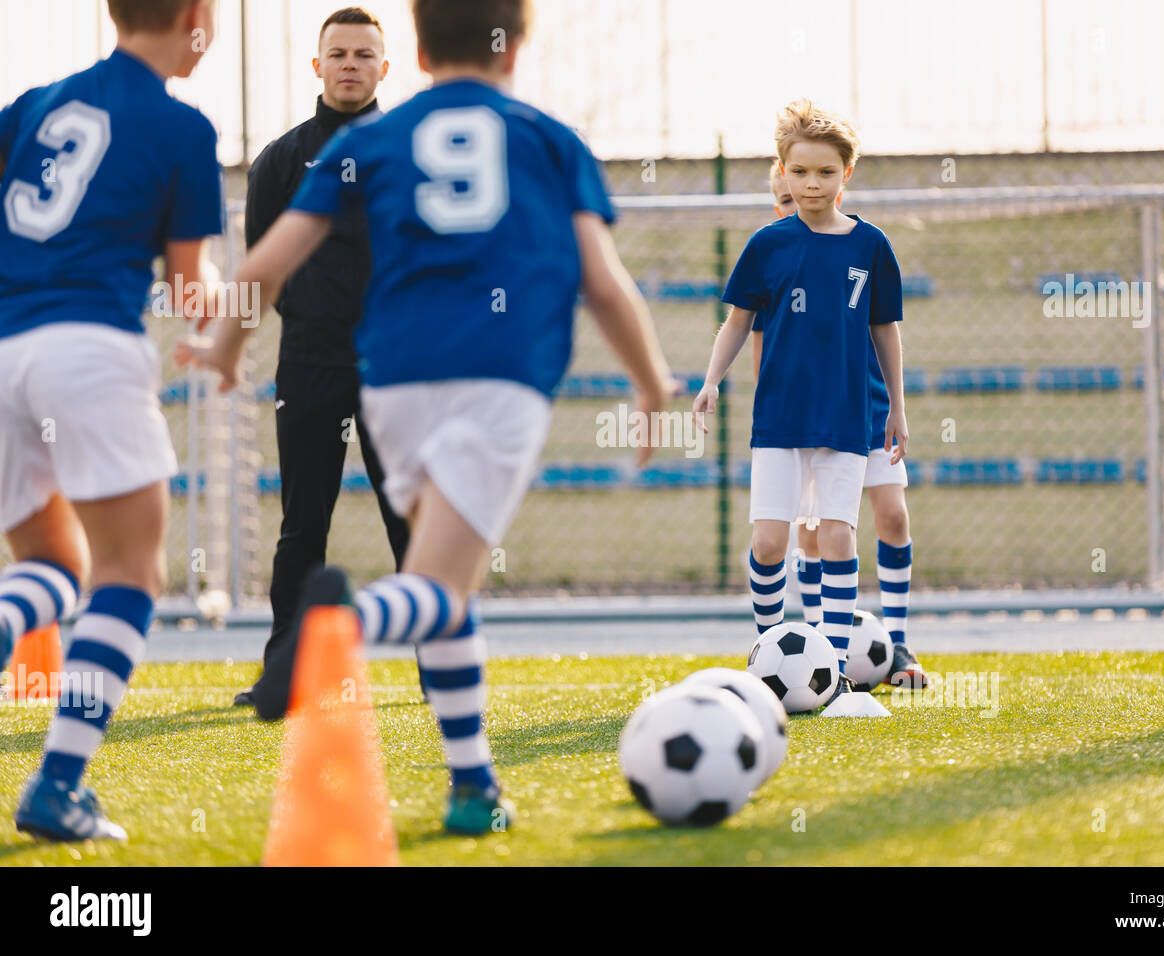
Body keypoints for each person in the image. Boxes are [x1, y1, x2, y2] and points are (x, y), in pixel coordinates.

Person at [179, 0, 675, 835]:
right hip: (497, 378)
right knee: (440, 584)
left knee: (449, 581)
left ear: (409, 47)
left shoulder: (366, 143)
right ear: (516, 42)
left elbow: (268, 258)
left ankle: (474, 785)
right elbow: (602, 279)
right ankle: (338, 623)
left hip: (394, 380)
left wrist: (227, 341)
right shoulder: (546, 139)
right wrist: (653, 385)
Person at [0, 0, 224, 840]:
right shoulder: (180, 127)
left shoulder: (37, 103)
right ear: (197, 16)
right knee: (128, 575)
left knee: (56, 562)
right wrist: (234, 325)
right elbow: (186, 285)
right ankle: (57, 787)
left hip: (4, 344)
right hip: (87, 348)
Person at [694, 98, 910, 714]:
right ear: (782, 173)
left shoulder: (871, 246)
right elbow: (737, 322)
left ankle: (837, 676)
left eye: (824, 172)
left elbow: (885, 330)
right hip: (780, 422)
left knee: (838, 538)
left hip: (845, 419)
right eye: (799, 172)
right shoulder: (767, 245)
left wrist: (897, 407)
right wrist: (712, 380)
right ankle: (766, 655)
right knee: (769, 542)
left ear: (847, 174)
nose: (811, 184)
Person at [233, 5, 410, 711]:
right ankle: (286, 668)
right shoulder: (281, 159)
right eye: (337, 53)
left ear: (383, 68)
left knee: (412, 521)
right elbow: (262, 263)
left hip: (396, 371)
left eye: (364, 55)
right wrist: (312, 325)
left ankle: (441, 670)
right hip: (309, 366)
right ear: (317, 65)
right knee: (304, 524)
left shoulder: (409, 151)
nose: (349, 64)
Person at [751, 159, 927, 689]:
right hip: (803, 419)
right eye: (783, 198)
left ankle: (895, 643)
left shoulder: (858, 250)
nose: (796, 200)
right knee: (809, 532)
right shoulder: (776, 261)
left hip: (864, 407)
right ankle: (812, 655)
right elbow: (759, 348)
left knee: (891, 516)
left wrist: (896, 404)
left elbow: (884, 327)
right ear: (777, 205)